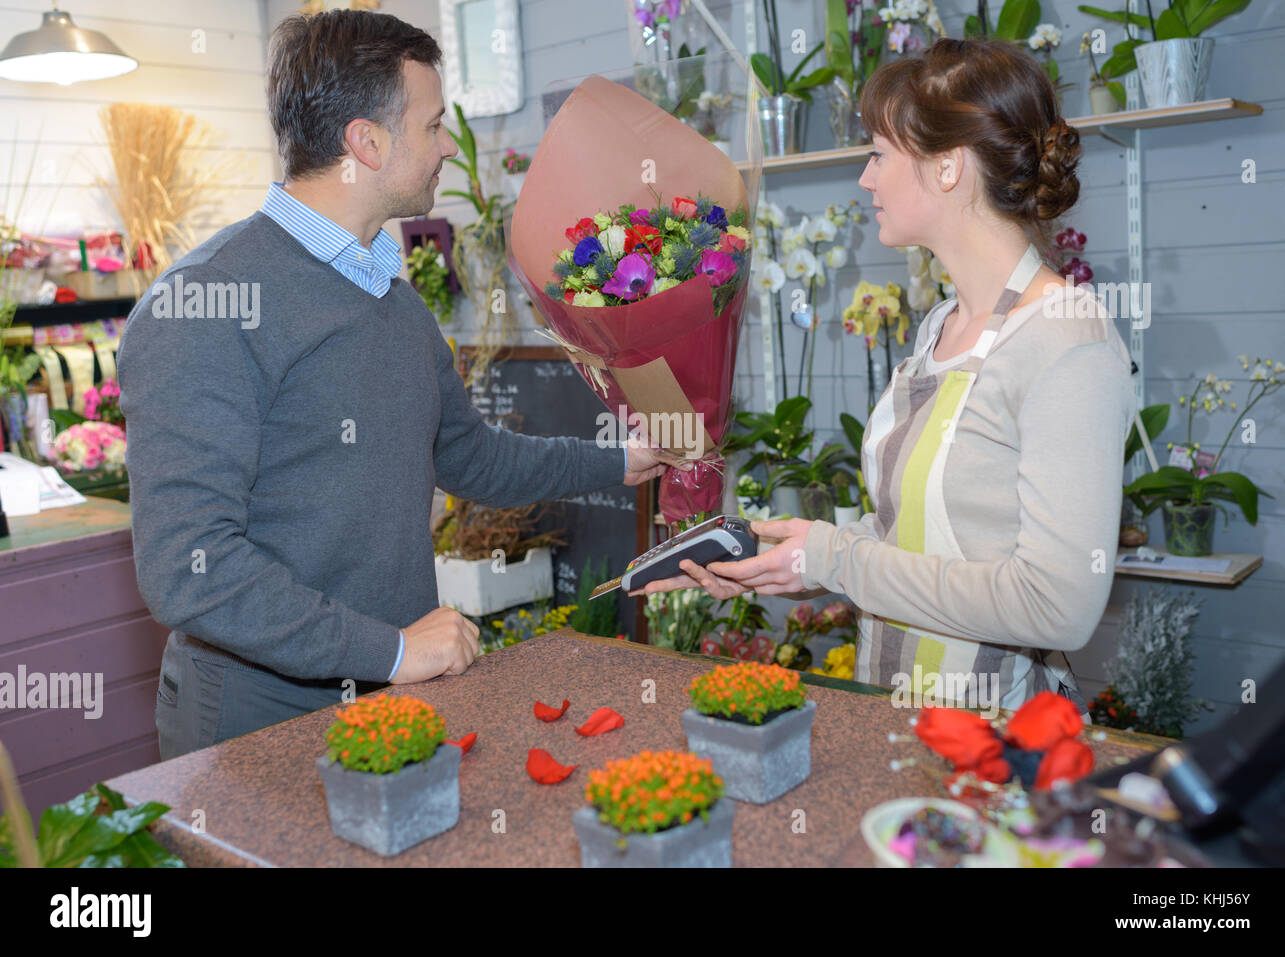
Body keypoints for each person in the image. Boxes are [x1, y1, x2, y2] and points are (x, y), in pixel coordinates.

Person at [118, 10, 667, 759]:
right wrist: (390, 651)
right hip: (258, 722)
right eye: (434, 124)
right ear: (366, 142)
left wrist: (618, 459)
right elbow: (189, 568)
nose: (447, 146)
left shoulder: (394, 301)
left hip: (392, 697)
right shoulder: (204, 304)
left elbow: (474, 458)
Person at [638, 38, 1137, 715]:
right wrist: (784, 556)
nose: (866, 178)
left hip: (998, 744)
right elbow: (912, 542)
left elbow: (1058, 605)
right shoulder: (938, 327)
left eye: (878, 154)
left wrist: (837, 561)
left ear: (949, 167)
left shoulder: (1066, 339)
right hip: (897, 718)